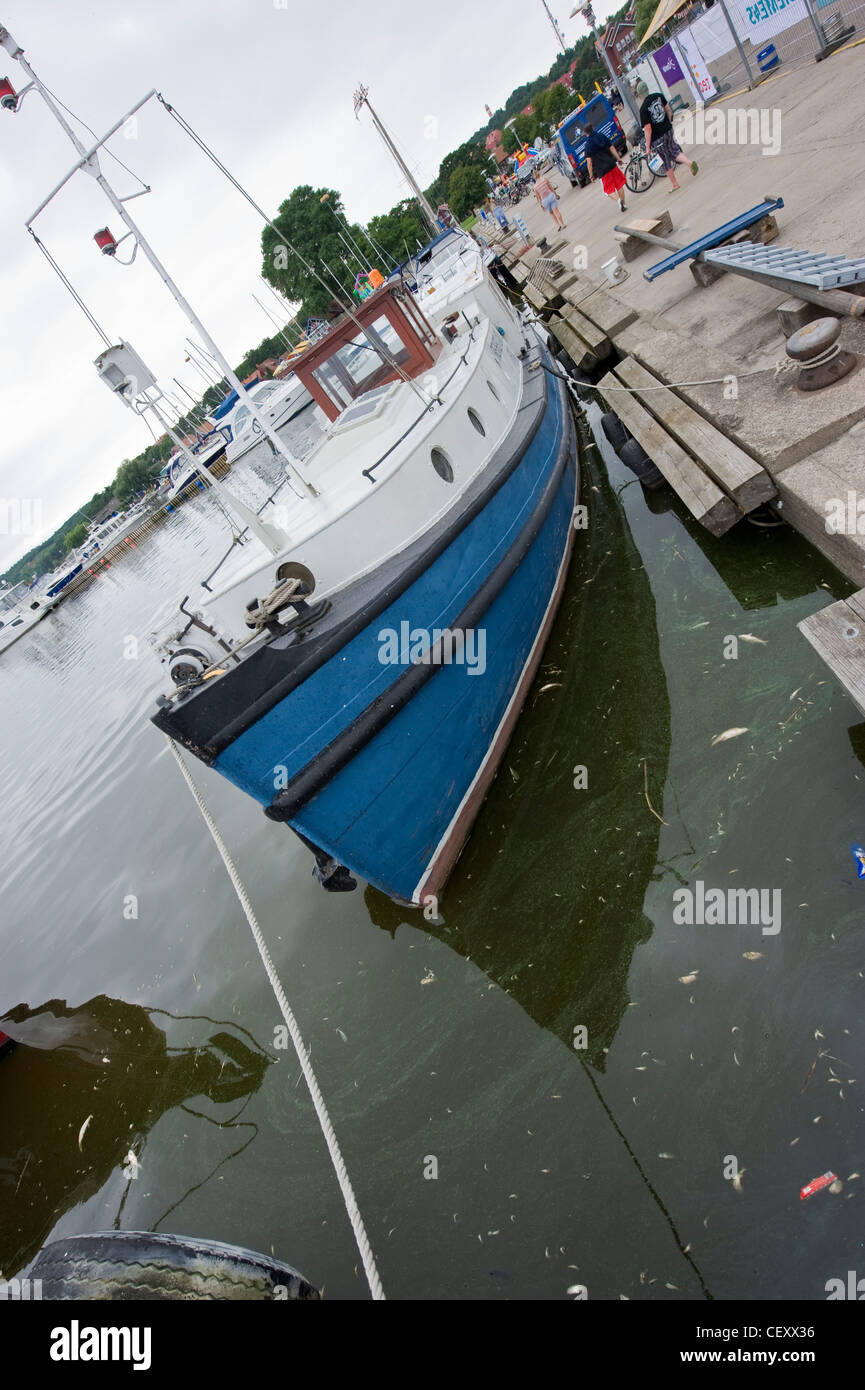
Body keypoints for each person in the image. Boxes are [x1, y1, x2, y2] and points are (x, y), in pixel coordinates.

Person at [636, 79, 698, 192]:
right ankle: (689, 162)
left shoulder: (643, 109)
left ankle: (675, 184)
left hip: (658, 137)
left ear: (640, 94)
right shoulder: (658, 96)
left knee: (665, 160)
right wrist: (668, 122)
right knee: (674, 150)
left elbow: (648, 129)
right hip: (668, 129)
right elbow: (668, 109)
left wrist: (648, 146)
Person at [583, 121, 627, 213]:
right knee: (619, 185)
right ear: (593, 128)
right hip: (611, 164)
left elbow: (589, 162)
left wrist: (591, 175)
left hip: (602, 170)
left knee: (608, 191)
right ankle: (624, 204)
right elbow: (611, 148)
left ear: (586, 133)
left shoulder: (588, 145)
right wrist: (618, 158)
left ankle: (619, 201)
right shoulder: (601, 136)